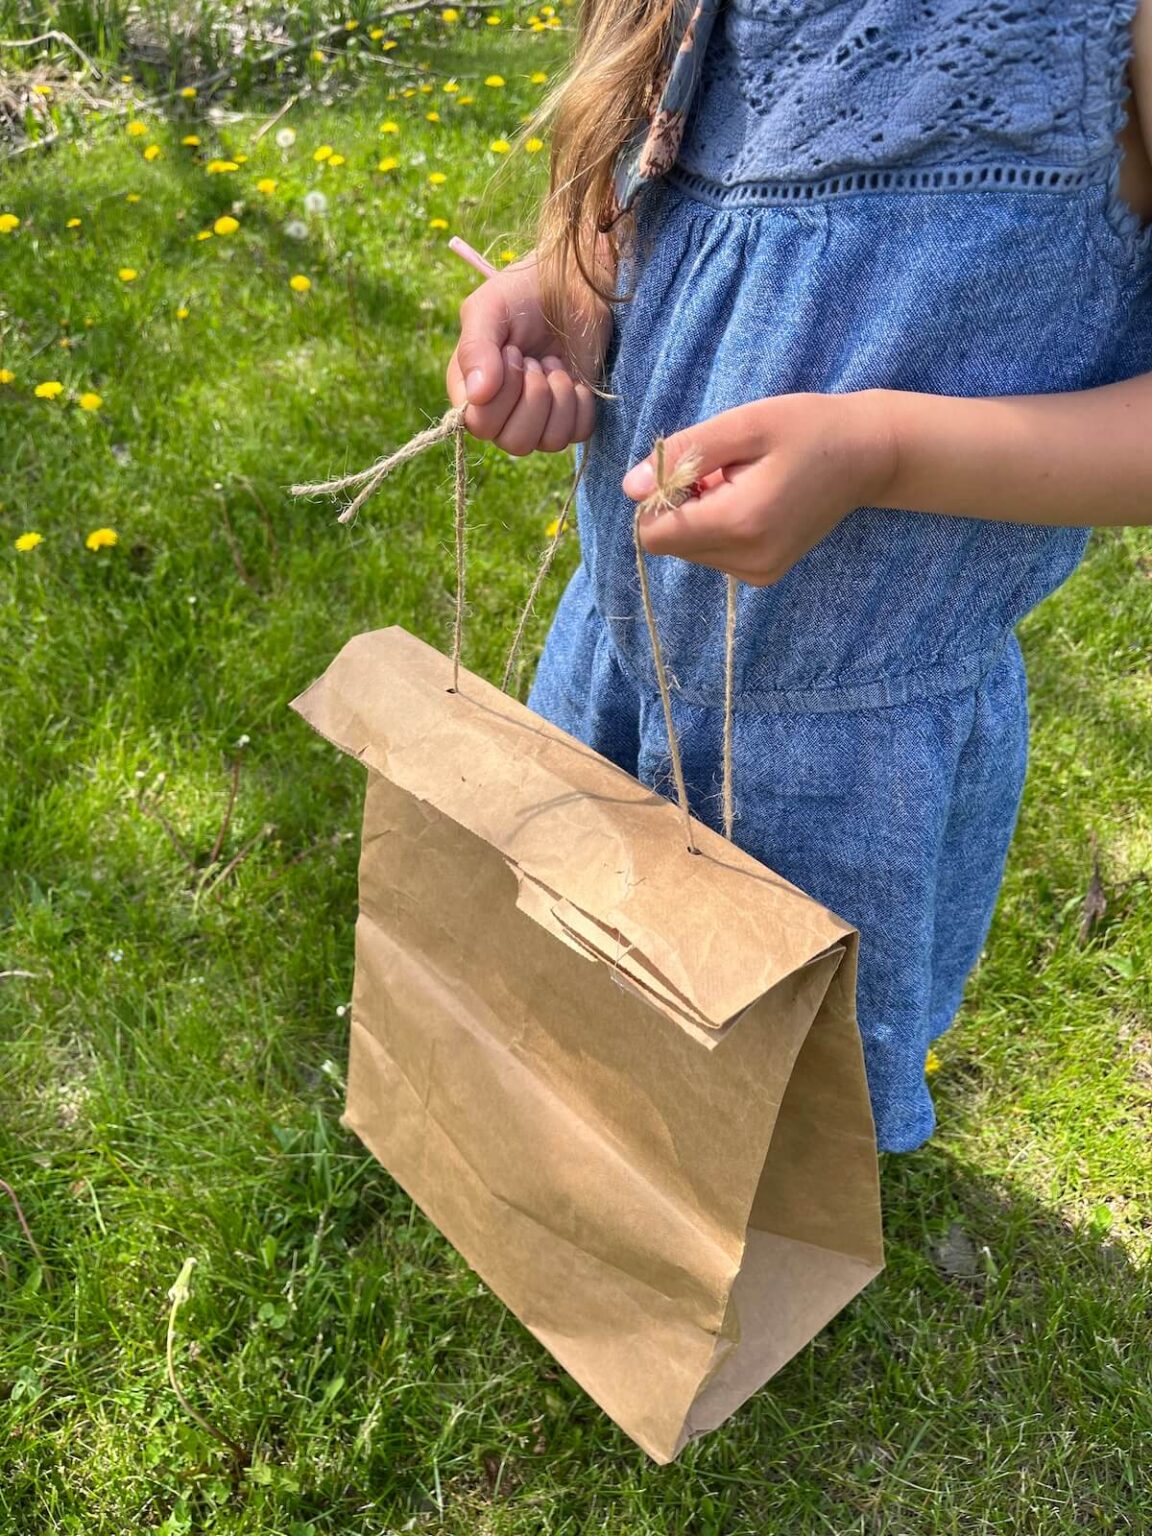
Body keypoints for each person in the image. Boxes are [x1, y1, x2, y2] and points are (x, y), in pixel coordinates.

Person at [445, 0, 1152, 1154]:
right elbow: (686, 213)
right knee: (590, 1029)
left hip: (848, 770)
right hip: (622, 668)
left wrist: (882, 450)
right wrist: (565, 289)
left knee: (768, 1139)